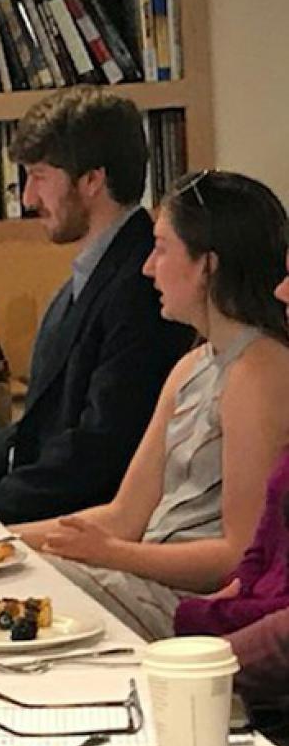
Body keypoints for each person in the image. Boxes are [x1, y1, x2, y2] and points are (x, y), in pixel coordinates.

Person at [15, 170, 289, 640]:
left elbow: (237, 558)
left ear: (208, 265)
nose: (147, 267)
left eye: (162, 248)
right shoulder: (192, 366)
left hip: (190, 602)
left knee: (24, 601)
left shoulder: (259, 373)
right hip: (143, 571)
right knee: (9, 576)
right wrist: (0, 540)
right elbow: (124, 515)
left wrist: (113, 555)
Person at [0, 86, 194, 524]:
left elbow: (99, 448)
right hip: (53, 510)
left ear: (92, 180)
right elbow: (34, 430)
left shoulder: (144, 289)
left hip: (91, 524)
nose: (27, 198)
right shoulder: (86, 281)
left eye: (40, 177)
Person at [174, 246, 289, 713]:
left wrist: (204, 666)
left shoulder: (261, 369)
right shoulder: (193, 364)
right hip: (242, 625)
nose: (281, 291)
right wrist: (238, 587)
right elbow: (267, 531)